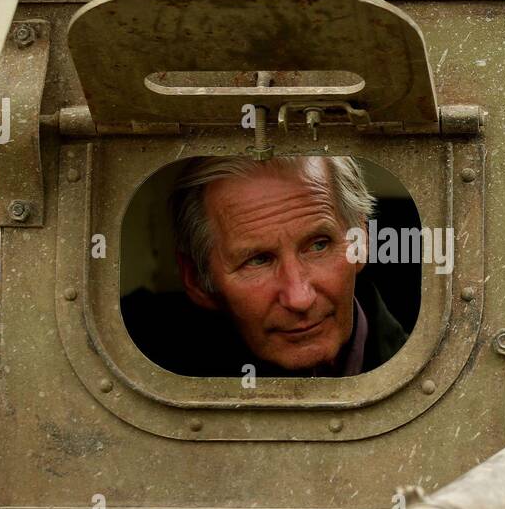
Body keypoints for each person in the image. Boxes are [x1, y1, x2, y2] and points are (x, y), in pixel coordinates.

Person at [122, 155, 409, 378]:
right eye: (258, 260)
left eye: (318, 245)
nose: (299, 298)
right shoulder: (138, 357)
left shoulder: (432, 373)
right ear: (197, 280)